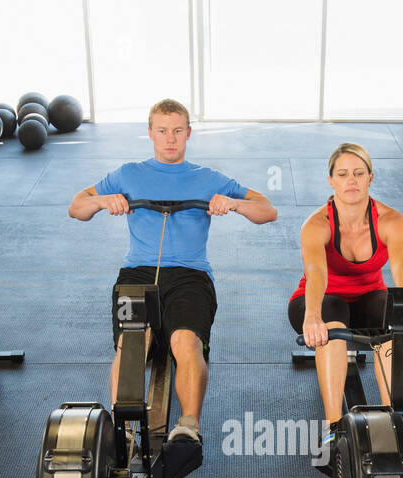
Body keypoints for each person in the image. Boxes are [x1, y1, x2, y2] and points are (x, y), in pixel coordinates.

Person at [68, 98, 276, 447]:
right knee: (134, 343)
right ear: (150, 133)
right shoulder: (128, 174)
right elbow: (76, 207)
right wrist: (103, 201)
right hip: (137, 274)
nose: (170, 139)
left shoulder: (207, 178)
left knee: (185, 342)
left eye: (177, 131)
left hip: (190, 276)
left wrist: (234, 203)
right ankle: (125, 431)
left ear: (188, 133)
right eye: (163, 131)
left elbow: (267, 210)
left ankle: (188, 428)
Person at [291, 142, 403, 444]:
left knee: (394, 316)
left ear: (371, 177)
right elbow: (317, 274)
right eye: (343, 174)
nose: (352, 180)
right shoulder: (316, 225)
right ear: (331, 180)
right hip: (321, 300)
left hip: (368, 297)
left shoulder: (391, 221)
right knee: (332, 320)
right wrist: (312, 316)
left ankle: (395, 420)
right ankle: (334, 429)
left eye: (359, 173)